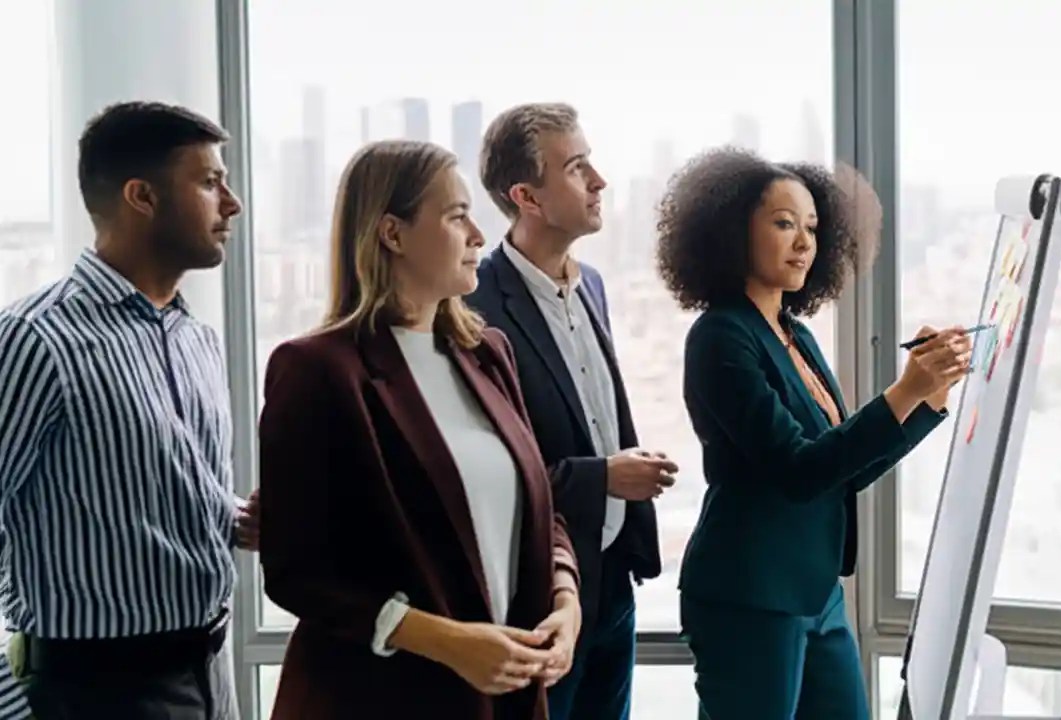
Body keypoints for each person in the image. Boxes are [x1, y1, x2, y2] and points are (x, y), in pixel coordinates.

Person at [257, 140, 582, 720]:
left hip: (504, 697)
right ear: (393, 233)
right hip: (377, 700)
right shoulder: (316, 370)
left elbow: (540, 505)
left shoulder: (488, 353)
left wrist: (566, 598)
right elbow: (296, 570)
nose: (480, 235)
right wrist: (448, 642)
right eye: (457, 216)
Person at [655, 148, 972, 720]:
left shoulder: (793, 333)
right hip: (749, 594)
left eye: (812, 227)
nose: (804, 242)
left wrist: (928, 400)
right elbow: (798, 470)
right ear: (732, 233)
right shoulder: (721, 337)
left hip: (816, 589)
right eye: (783, 224)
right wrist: (903, 391)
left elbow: (839, 468)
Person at [0, 101, 259, 719]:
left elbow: (146, 479)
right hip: (89, 693)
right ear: (142, 196)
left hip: (209, 677)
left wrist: (236, 518)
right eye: (209, 181)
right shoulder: (37, 340)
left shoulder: (196, 337)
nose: (232, 203)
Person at [466, 102, 678, 720]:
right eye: (578, 167)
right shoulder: (476, 304)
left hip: (614, 580)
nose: (600, 181)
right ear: (527, 196)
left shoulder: (593, 287)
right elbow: (489, 474)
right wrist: (603, 477)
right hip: (539, 596)